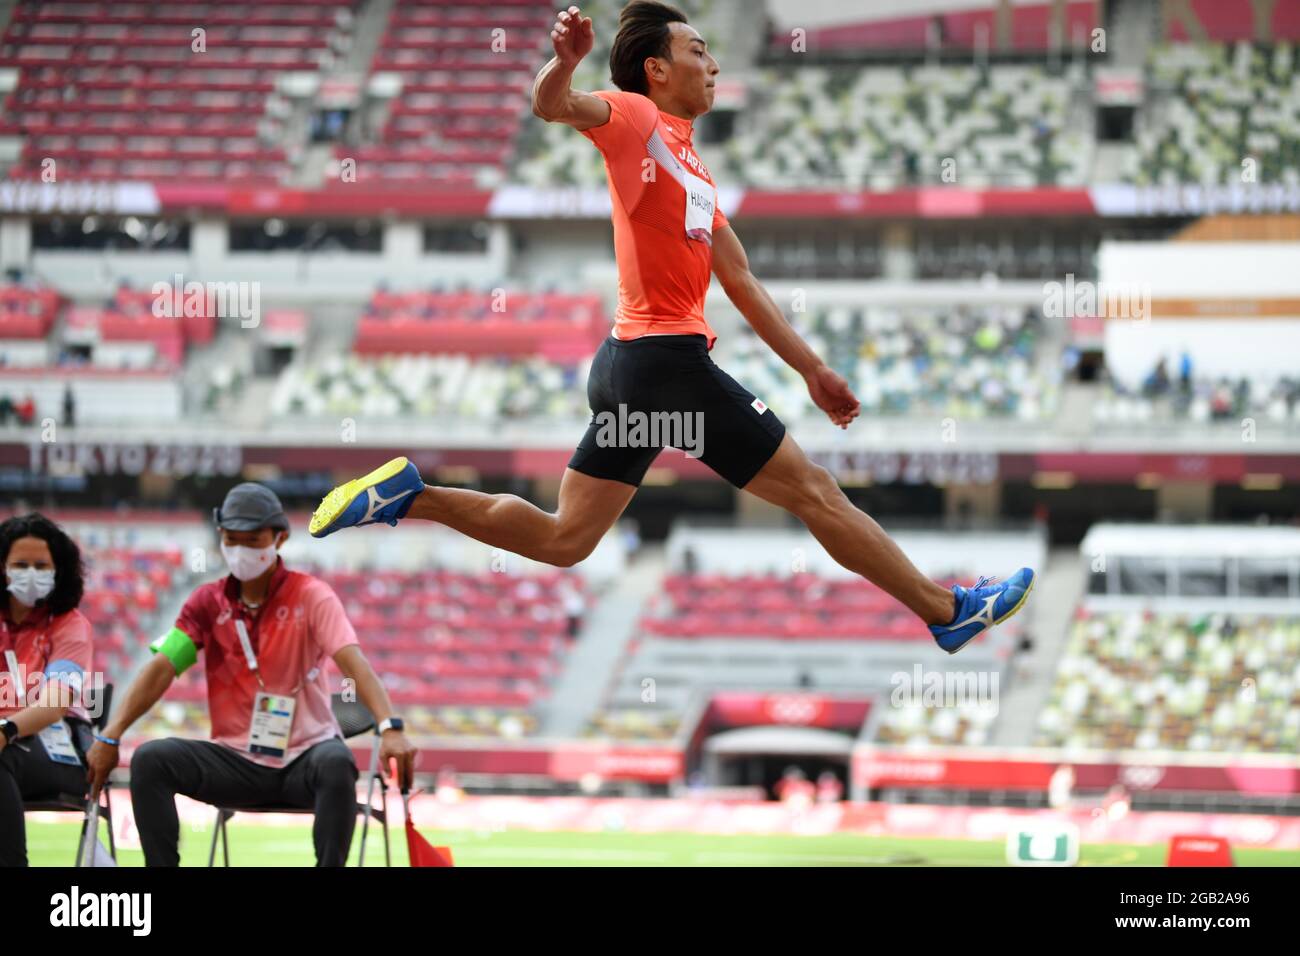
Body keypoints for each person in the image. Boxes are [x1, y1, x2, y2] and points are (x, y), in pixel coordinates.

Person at [306, 2, 1033, 655]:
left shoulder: (694, 172)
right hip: (665, 366)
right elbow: (552, 106)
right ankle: (948, 611)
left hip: (628, 371)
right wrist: (565, 62)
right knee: (815, 491)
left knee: (565, 538)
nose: (713, 64)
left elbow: (740, 281)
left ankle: (411, 495)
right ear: (656, 69)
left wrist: (813, 370)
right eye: (698, 51)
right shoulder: (635, 118)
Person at [85, 483, 417, 867]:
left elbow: (352, 663)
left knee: (336, 761)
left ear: (280, 538)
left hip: (305, 761)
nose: (241, 550)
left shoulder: (311, 596)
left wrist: (390, 726)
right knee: (150, 759)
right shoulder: (206, 603)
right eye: (231, 539)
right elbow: (163, 667)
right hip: (234, 764)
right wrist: (111, 735)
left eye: (253, 539)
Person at [0, 513, 95, 867]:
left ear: (59, 570)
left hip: (59, 748)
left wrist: (6, 730)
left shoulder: (70, 625)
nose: (30, 573)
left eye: (41, 565)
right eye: (20, 564)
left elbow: (54, 704)